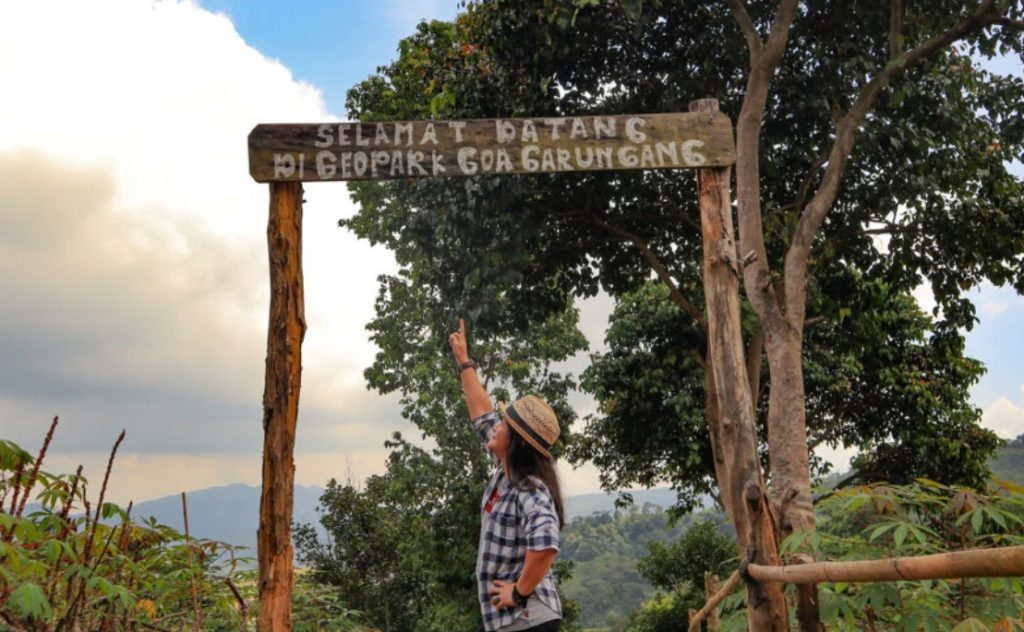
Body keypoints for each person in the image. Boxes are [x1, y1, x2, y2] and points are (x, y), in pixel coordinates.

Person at [449, 319, 565, 632]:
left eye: (503, 424)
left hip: (527, 622)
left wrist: (519, 591)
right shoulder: (507, 473)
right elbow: (481, 415)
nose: (495, 425)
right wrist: (464, 361)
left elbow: (545, 544)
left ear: (514, 442)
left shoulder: (528, 488)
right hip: (513, 623)